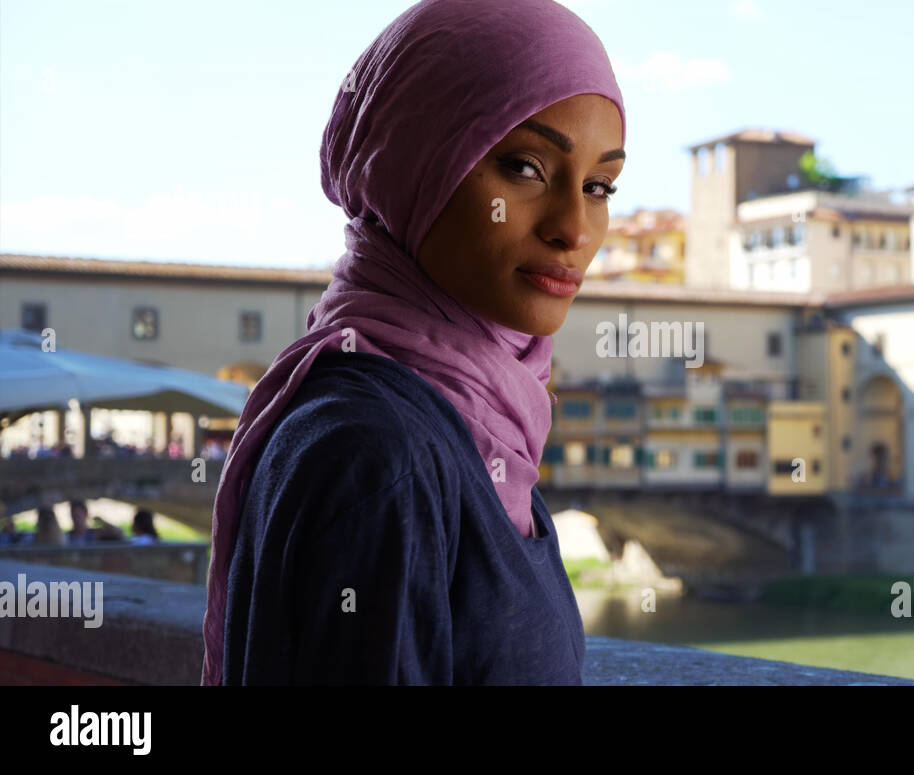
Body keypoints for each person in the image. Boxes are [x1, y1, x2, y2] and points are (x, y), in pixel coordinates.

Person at [203, 0, 624, 686]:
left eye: (600, 185)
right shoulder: (381, 454)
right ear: (411, 163)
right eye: (524, 168)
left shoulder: (472, 426)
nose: (574, 227)